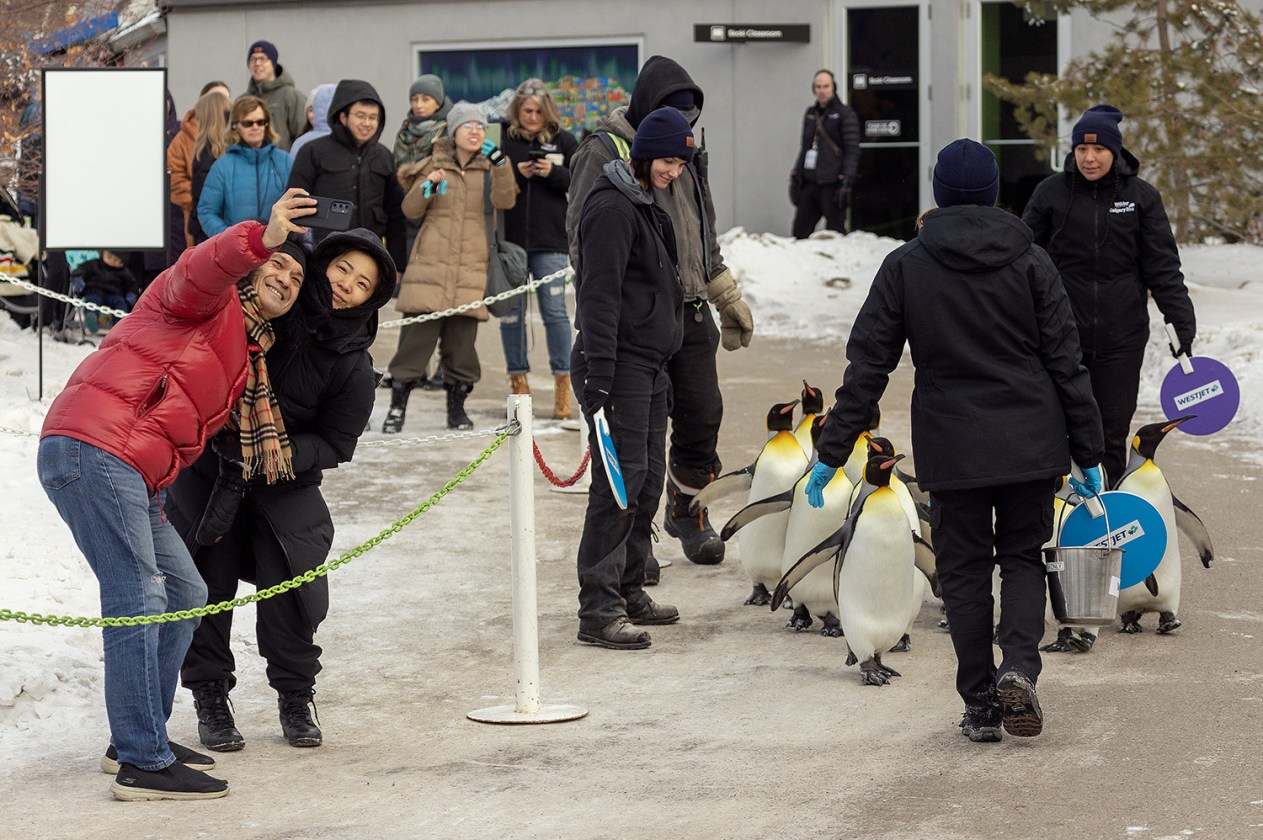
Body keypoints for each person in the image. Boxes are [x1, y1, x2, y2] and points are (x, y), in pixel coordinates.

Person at [805, 139, 1105, 741]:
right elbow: (1067, 361)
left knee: (965, 572)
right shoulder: (1032, 261)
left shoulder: (907, 265)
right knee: (1022, 558)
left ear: (939, 192)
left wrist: (832, 450)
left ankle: (981, 702)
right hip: (1030, 440)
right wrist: (1089, 451)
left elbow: (868, 366)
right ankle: (1019, 667)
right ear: (994, 192)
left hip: (951, 445)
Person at [37, 189, 317, 801]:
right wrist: (260, 239)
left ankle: (137, 739)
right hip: (95, 446)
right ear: (252, 268)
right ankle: (142, 759)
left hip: (137, 472)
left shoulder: (245, 356)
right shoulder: (200, 300)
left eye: (297, 277)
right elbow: (202, 265)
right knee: (137, 592)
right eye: (279, 266)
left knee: (186, 590)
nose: (287, 278)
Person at [165, 227, 395, 753]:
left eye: (362, 284)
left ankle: (295, 696)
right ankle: (210, 696)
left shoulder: (352, 360)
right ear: (323, 264)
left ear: (370, 299)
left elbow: (338, 440)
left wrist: (283, 456)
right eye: (342, 269)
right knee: (205, 583)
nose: (345, 286)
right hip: (212, 467)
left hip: (283, 478)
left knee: (291, 586)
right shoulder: (273, 305)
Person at [566, 54, 754, 572]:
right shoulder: (606, 150)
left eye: (692, 116)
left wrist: (724, 290)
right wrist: (610, 317)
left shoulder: (683, 151)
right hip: (637, 318)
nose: (686, 127)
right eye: (675, 112)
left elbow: (701, 227)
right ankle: (633, 547)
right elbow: (587, 239)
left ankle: (686, 509)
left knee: (701, 415)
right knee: (637, 443)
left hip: (689, 309)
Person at [570, 108, 694, 649]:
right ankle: (598, 611)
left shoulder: (643, 204)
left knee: (645, 481)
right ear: (643, 155)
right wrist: (599, 374)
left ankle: (629, 584)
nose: (676, 172)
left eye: (682, 163)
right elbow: (597, 296)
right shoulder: (612, 208)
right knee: (617, 488)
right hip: (616, 366)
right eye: (669, 160)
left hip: (649, 366)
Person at [1022, 104, 1197, 484]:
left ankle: (1107, 527)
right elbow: (1022, 260)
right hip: (1060, 339)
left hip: (1122, 340)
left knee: (1111, 438)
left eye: (1099, 149)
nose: (1089, 158)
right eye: (1082, 150)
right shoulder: (1050, 194)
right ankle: (1057, 519)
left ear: (1114, 151)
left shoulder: (1141, 197)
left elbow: (1162, 267)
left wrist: (1180, 319)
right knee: (1056, 436)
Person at [385, 102, 516, 433]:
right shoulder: (434, 164)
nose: (475, 131)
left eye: (480, 127)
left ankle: (456, 409)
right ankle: (397, 409)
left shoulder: (491, 169)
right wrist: (429, 183)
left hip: (471, 265)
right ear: (454, 132)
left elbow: (506, 202)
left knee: (461, 347)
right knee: (414, 342)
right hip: (430, 264)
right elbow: (411, 209)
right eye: (468, 126)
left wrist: (501, 165)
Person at [498, 78, 579, 419]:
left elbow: (580, 181)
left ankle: (563, 385)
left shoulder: (566, 140)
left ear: (549, 112)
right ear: (517, 111)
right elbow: (488, 183)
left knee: (555, 313)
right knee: (512, 315)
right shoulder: (502, 141)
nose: (532, 117)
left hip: (551, 240)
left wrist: (553, 172)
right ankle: (519, 383)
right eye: (526, 110)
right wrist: (512, 174)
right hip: (512, 241)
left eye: (538, 111)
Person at [288, 79, 407, 273]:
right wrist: (295, 255)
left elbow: (396, 214)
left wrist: (397, 265)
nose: (367, 123)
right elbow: (295, 206)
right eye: (360, 116)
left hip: (370, 258)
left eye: (373, 117)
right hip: (323, 256)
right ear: (342, 117)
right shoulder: (313, 152)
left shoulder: (384, 156)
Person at [198, 96, 293, 238]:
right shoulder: (222, 166)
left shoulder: (285, 160)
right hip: (237, 252)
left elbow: (298, 204)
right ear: (235, 127)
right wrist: (228, 238)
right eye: (248, 123)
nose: (255, 127)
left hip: (280, 247)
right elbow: (206, 211)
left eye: (260, 122)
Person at [789, 69, 861, 239]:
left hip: (832, 182)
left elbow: (852, 149)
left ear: (833, 87)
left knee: (835, 233)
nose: (822, 90)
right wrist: (796, 175)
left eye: (826, 86)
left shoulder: (845, 114)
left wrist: (846, 179)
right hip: (810, 182)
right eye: (818, 86)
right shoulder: (810, 114)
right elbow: (804, 147)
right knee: (799, 233)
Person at [170, 81, 232, 250]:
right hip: (199, 220)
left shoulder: (238, 141)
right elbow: (173, 178)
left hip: (227, 223)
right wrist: (195, 201)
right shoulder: (184, 139)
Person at [244, 40, 307, 151]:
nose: (257, 64)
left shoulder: (291, 96)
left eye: (262, 59)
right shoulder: (243, 101)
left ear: (273, 64)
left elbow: (303, 136)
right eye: (253, 59)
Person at [188, 90, 234, 244]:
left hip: (210, 234)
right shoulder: (237, 150)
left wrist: (193, 227)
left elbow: (202, 198)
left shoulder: (205, 153)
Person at [72, 249, 140, 333]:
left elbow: (132, 284)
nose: (112, 261)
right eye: (109, 257)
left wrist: (132, 293)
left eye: (116, 260)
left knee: (121, 304)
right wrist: (78, 278)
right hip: (95, 290)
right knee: (92, 301)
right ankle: (91, 317)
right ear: (102, 254)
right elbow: (80, 270)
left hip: (115, 294)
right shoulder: (94, 264)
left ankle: (120, 326)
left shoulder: (124, 272)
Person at [288, 83, 335, 161]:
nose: (315, 115)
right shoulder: (300, 142)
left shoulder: (346, 139)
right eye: (311, 110)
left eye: (321, 110)